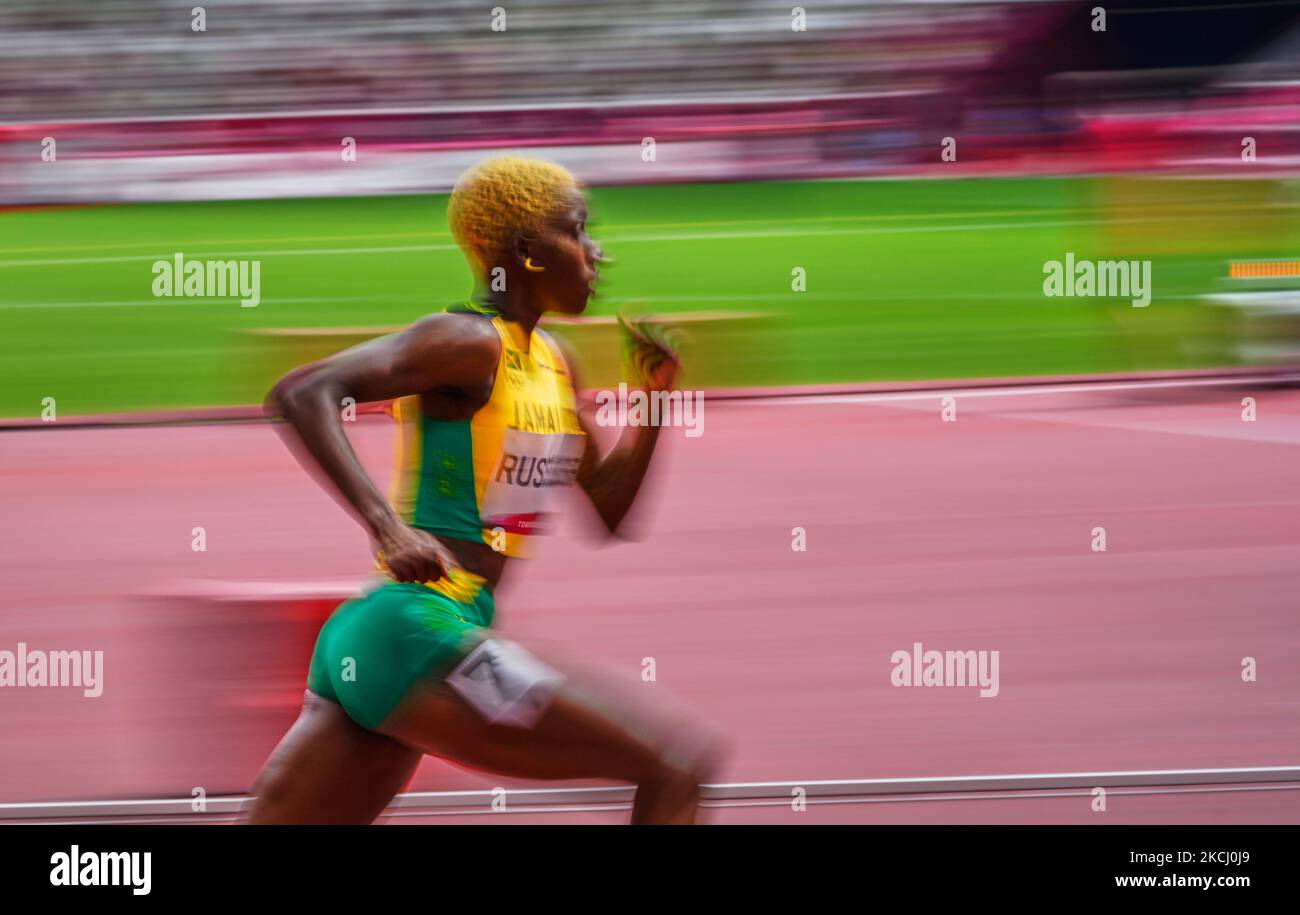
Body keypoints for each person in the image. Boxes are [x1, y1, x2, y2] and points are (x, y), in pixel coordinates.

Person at [245, 156, 717, 825]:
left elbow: (610, 508)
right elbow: (303, 392)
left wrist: (653, 405)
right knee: (675, 769)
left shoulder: (554, 363)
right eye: (577, 232)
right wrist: (387, 525)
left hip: (400, 643)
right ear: (525, 253)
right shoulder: (466, 341)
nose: (596, 252)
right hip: (418, 633)